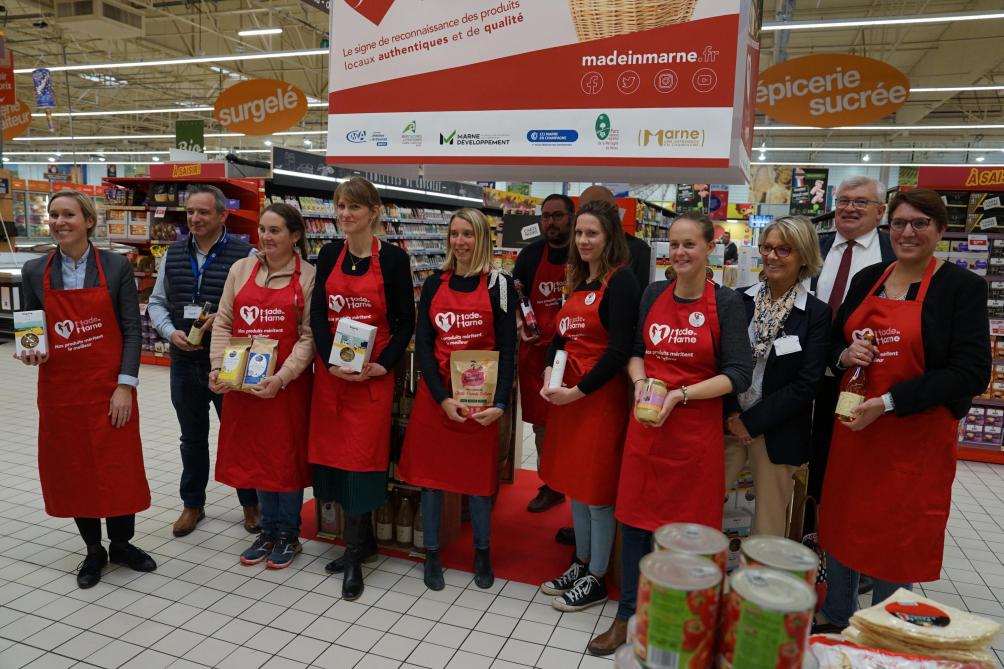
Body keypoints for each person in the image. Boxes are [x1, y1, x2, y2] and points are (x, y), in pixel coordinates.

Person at [815, 188, 990, 631]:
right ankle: (837, 615)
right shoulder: (868, 278)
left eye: (919, 224)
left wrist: (890, 402)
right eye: (899, 223)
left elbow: (971, 372)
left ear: (940, 230)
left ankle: (888, 629)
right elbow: (835, 341)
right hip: (856, 429)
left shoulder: (960, 287)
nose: (907, 233)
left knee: (899, 531)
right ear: (886, 227)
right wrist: (844, 355)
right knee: (843, 521)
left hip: (915, 437)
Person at [589, 212, 753, 655]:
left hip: (693, 434)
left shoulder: (728, 304)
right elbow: (637, 352)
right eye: (674, 245)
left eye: (690, 245)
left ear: (709, 248)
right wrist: (642, 383)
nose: (680, 253)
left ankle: (683, 619)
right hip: (646, 430)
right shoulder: (653, 293)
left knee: (689, 534)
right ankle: (627, 615)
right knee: (636, 525)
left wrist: (679, 396)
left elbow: (739, 373)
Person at [18, 189, 156, 589]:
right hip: (61, 390)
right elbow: (31, 326)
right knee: (75, 468)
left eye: (68, 215)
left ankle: (122, 545)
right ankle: (93, 550)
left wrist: (125, 386)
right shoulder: (34, 270)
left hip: (110, 387)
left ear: (89, 221)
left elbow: (132, 330)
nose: (59, 222)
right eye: (54, 214)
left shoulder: (114, 267)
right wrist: (32, 351)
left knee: (118, 467)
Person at [397, 208, 517, 592]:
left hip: (480, 400)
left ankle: (482, 551)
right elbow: (426, 346)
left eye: (468, 234)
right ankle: (432, 553)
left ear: (482, 239)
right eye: (455, 234)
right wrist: (440, 397)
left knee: (479, 484)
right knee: (432, 483)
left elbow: (508, 348)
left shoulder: (499, 285)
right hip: (439, 401)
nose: (460, 242)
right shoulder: (434, 284)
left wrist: (499, 403)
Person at [308, 177, 415, 599]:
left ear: (373, 211)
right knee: (335, 462)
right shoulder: (328, 253)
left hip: (371, 379)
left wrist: (381, 365)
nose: (345, 214)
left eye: (354, 207)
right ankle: (363, 542)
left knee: (361, 463)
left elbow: (406, 320)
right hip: (333, 378)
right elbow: (319, 315)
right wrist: (327, 359)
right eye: (340, 206)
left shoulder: (392, 261)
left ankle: (354, 556)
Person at [537, 200, 640, 613]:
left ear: (610, 237)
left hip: (598, 401)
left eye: (591, 233)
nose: (582, 240)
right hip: (568, 399)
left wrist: (577, 393)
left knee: (596, 491)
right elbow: (559, 339)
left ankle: (597, 576)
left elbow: (617, 353)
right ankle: (579, 563)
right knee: (575, 487)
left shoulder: (622, 282)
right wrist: (549, 375)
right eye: (580, 233)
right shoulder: (579, 282)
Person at [148, 184, 260, 537]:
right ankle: (192, 504)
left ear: (223, 215)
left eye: (203, 212)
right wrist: (169, 332)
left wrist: (226, 320)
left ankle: (251, 504)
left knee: (239, 434)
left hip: (229, 358)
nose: (194, 219)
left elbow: (258, 309)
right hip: (184, 358)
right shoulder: (173, 254)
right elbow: (156, 302)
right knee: (191, 437)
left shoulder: (247, 256)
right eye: (190, 212)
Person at [208, 204, 315, 569]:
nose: (266, 238)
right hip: (244, 386)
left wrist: (282, 377)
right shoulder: (241, 270)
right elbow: (223, 322)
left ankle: (289, 533)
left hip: (286, 388)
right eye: (262, 230)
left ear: (295, 235)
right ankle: (267, 530)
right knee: (257, 458)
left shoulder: (309, 277)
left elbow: (308, 337)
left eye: (275, 231)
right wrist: (219, 367)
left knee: (285, 460)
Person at [723, 216, 831, 536]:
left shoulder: (815, 314)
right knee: (700, 505)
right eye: (767, 247)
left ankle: (755, 584)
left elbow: (807, 383)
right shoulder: (737, 300)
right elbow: (720, 361)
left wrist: (751, 422)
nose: (771, 256)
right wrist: (732, 413)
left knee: (768, 524)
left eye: (784, 250)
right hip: (727, 423)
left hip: (777, 432)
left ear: (804, 257)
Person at [807, 176, 895, 504]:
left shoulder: (892, 252)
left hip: (864, 375)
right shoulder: (815, 245)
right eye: (843, 200)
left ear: (880, 211)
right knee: (810, 456)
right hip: (809, 371)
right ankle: (807, 524)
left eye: (860, 202)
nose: (849, 208)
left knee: (852, 458)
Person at [514, 193, 574, 513]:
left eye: (557, 216)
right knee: (542, 426)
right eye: (545, 216)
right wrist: (520, 322)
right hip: (536, 352)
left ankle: (573, 483)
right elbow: (518, 298)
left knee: (573, 423)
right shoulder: (529, 255)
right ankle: (550, 483)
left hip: (572, 352)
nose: (550, 222)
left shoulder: (582, 254)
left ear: (571, 217)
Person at [579, 185, 652, 288]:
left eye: (598, 209)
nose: (590, 215)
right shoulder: (580, 250)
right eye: (584, 210)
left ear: (616, 211)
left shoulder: (640, 251)